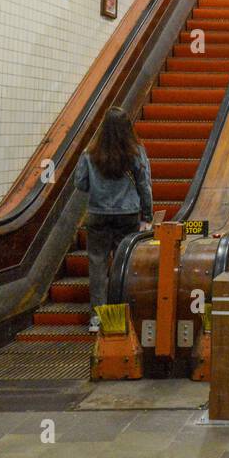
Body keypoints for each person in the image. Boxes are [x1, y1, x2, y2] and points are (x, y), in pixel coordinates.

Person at [73, 107, 153, 333]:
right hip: (127, 216)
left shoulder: (90, 153)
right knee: (123, 266)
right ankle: (121, 316)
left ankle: (97, 319)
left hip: (98, 215)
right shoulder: (136, 152)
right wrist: (147, 216)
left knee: (97, 266)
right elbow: (144, 185)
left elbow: (81, 184)